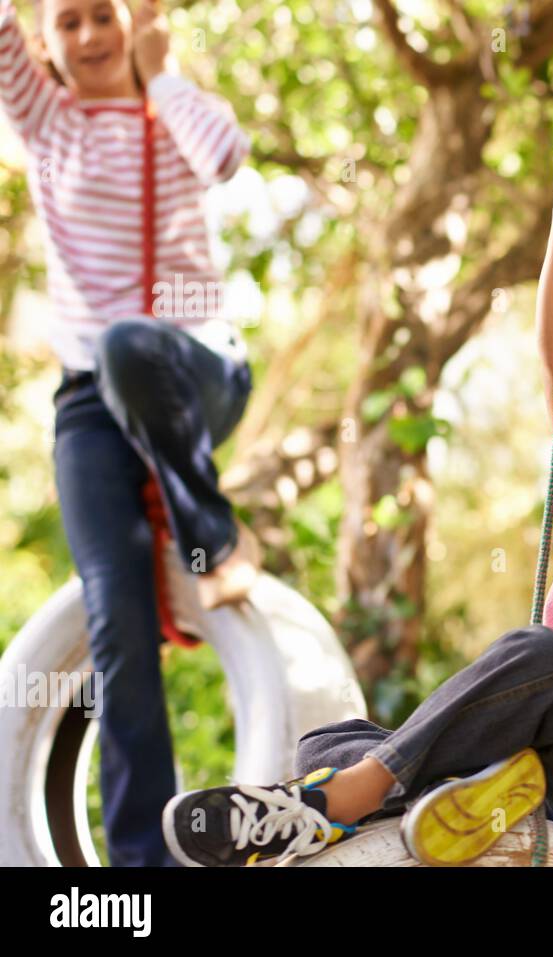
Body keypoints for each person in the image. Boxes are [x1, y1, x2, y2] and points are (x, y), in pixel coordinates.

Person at [158, 123, 553, 867]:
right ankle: (422, 799)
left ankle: (345, 799)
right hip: (543, 772)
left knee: (540, 658)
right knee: (330, 739)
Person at [0, 0, 256, 865]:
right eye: (66, 23)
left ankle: (211, 536)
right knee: (115, 614)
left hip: (191, 370)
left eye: (102, 15)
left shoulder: (180, 109)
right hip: (91, 410)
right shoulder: (46, 120)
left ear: (135, 17)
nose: (88, 36)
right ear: (46, 40)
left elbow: (224, 157)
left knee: (129, 341)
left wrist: (161, 68)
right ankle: (144, 865)